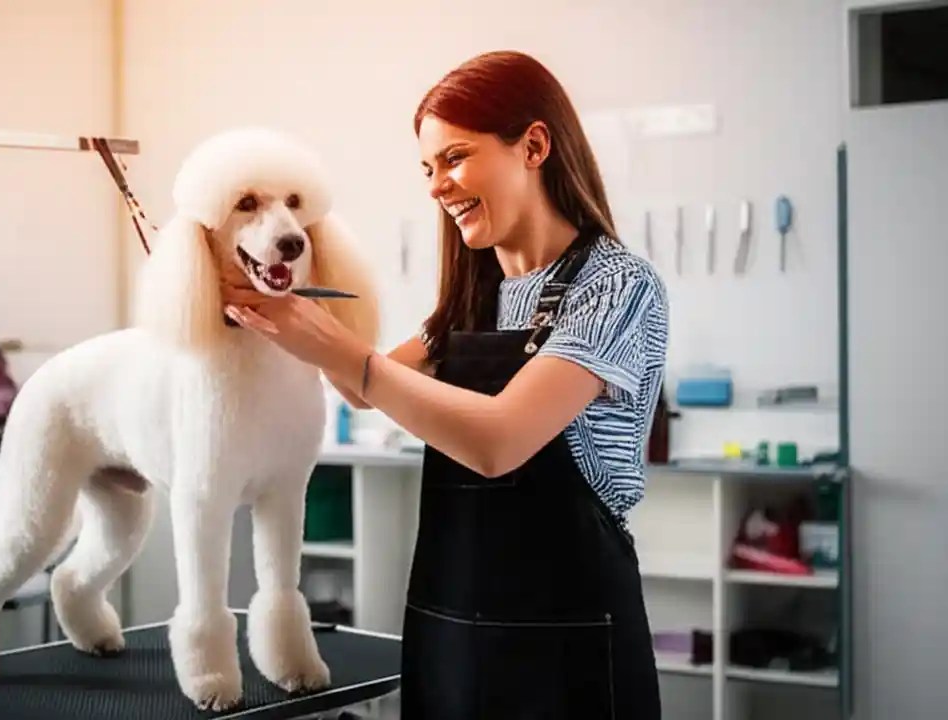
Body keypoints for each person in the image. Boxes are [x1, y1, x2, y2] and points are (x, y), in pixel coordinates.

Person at [224, 49, 666, 720]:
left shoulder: (615, 287)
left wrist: (334, 344)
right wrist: (273, 307)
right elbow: (361, 388)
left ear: (535, 146)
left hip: (568, 650)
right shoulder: (469, 304)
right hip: (450, 634)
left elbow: (499, 441)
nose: (436, 186)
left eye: (455, 158)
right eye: (428, 169)